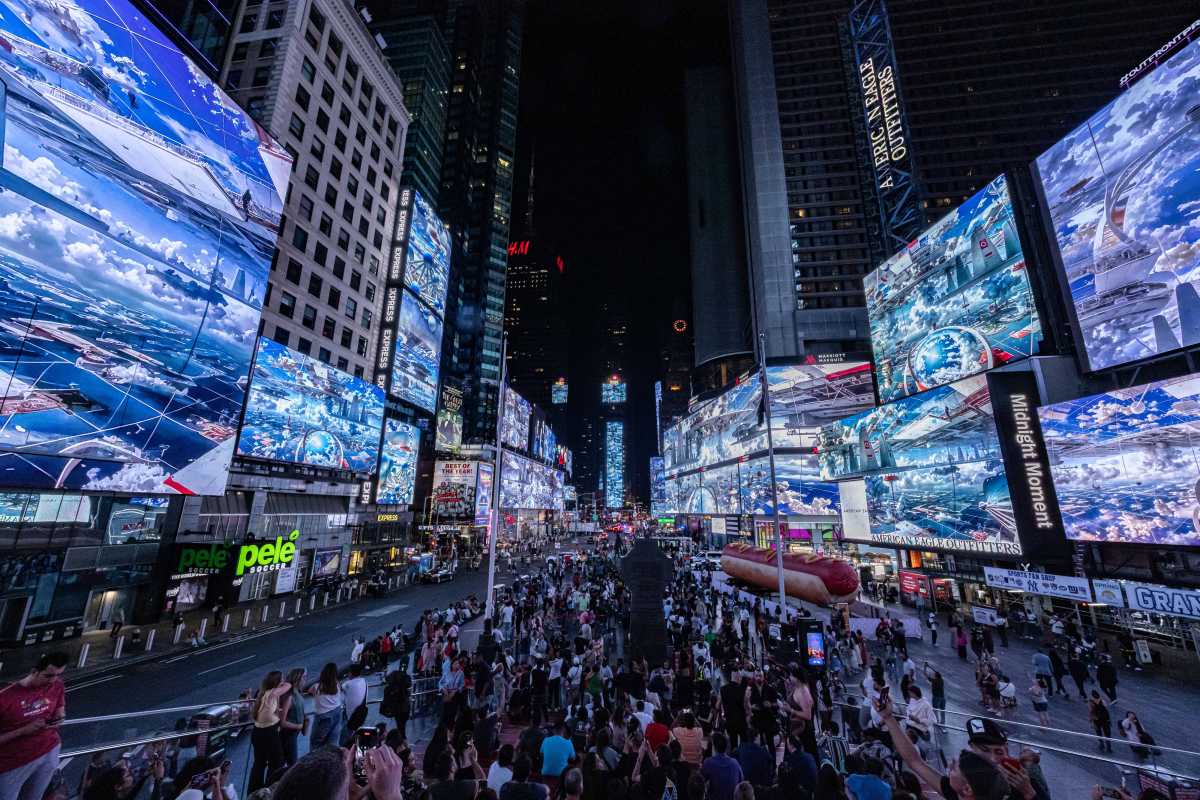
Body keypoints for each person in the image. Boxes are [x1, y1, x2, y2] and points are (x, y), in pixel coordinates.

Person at [0, 651, 68, 800]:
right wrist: (23, 731)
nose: (53, 680)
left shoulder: (57, 685)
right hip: (13, 761)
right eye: (49, 675)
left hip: (49, 749)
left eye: (58, 674)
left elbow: (60, 709)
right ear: (34, 672)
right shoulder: (5, 698)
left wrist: (59, 717)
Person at [248, 670, 292, 792]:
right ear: (277, 682)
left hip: (257, 732)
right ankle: (270, 789)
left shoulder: (263, 694)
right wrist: (284, 683)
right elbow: (289, 686)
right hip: (269, 733)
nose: (283, 681)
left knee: (259, 764)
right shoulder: (273, 693)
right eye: (281, 679)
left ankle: (253, 791)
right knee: (277, 762)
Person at [308, 663, 344, 750]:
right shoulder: (337, 685)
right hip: (337, 712)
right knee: (332, 742)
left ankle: (315, 762)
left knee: (316, 742)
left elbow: (309, 691)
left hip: (323, 716)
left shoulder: (317, 686)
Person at [700, 732, 743, 800]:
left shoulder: (708, 762)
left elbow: (700, 782)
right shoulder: (735, 763)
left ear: (714, 747)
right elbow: (741, 781)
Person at [279, 667, 308, 765]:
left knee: (286, 761)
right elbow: (282, 722)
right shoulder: (290, 696)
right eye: (304, 677)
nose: (305, 680)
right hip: (288, 735)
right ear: (297, 679)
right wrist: (298, 726)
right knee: (292, 763)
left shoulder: (297, 693)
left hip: (293, 734)